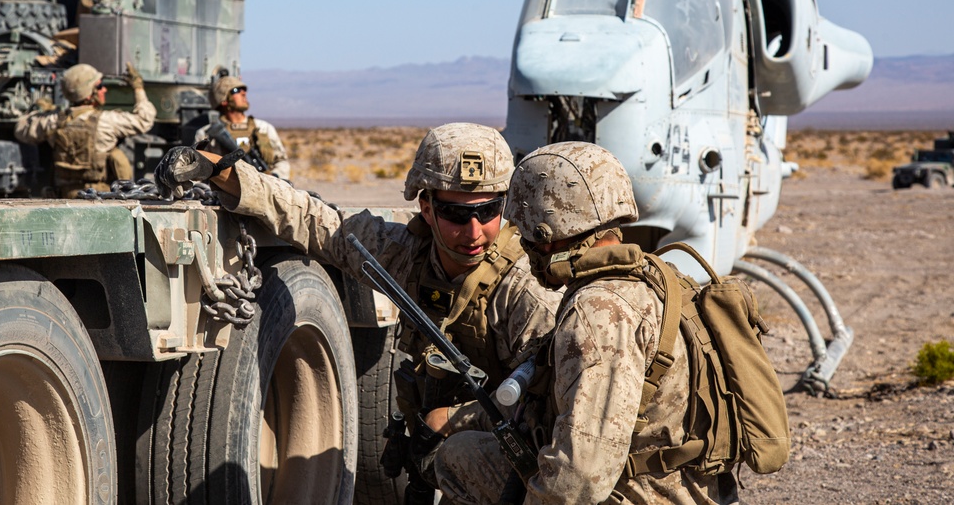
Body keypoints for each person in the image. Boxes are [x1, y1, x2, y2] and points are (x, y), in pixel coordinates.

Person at [154, 122, 562, 501]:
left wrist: (454, 419)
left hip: (528, 460)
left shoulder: (524, 291)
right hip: (453, 437)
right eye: (456, 214)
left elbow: (552, 404)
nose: (474, 231)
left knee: (458, 455)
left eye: (488, 211)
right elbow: (317, 222)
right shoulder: (407, 256)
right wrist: (218, 170)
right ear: (426, 207)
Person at [431, 141, 736, 505]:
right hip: (691, 489)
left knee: (459, 456)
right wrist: (464, 416)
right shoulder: (653, 280)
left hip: (645, 496)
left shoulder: (597, 312)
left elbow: (578, 482)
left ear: (545, 233)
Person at [15, 62, 156, 198]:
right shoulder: (107, 122)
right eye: (99, 86)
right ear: (90, 94)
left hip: (64, 198)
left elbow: (21, 129)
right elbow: (144, 120)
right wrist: (138, 88)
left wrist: (39, 111)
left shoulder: (53, 121)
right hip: (100, 199)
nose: (104, 89)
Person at [193, 75, 292, 179]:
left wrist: (274, 177)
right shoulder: (207, 134)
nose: (244, 93)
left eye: (244, 89)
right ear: (223, 100)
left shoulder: (263, 128)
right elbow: (197, 169)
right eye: (236, 90)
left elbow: (282, 161)